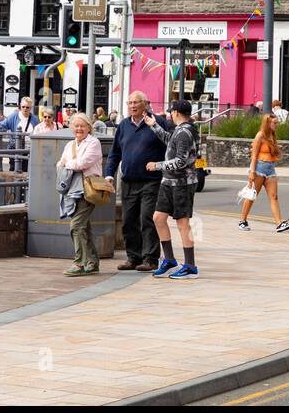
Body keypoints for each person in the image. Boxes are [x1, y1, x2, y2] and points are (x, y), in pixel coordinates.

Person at [106, 91, 172, 272]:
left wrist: (162, 167)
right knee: (129, 221)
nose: (133, 106)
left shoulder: (157, 122)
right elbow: (115, 153)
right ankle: (133, 257)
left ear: (145, 104)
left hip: (151, 180)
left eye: (136, 102)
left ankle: (150, 259)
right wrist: (109, 174)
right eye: (130, 103)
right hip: (128, 180)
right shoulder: (124, 126)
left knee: (147, 219)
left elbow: (170, 147)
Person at [147, 99, 201, 278]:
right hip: (169, 182)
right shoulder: (180, 131)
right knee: (158, 218)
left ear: (177, 113)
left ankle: (190, 266)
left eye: (171, 112)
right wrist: (154, 126)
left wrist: (158, 165)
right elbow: (170, 141)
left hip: (182, 184)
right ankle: (170, 260)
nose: (169, 115)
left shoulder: (185, 132)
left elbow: (181, 161)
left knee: (183, 223)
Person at [57, 112, 110, 277]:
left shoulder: (94, 143)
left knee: (76, 226)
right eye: (76, 126)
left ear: (89, 127)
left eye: (82, 125)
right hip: (73, 190)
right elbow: (59, 164)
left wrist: (68, 164)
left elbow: (83, 163)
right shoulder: (70, 145)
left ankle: (79, 262)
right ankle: (92, 262)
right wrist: (66, 165)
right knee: (84, 227)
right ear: (71, 128)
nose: (79, 129)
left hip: (88, 190)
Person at [239, 113, 289, 233]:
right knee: (252, 195)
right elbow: (253, 155)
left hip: (270, 169)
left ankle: (279, 223)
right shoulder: (260, 135)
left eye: (276, 122)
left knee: (274, 196)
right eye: (274, 122)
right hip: (259, 168)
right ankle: (242, 221)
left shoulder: (272, 135)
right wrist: (252, 172)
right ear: (267, 123)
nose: (276, 124)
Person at [0, 97, 39, 173]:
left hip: (28, 150)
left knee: (26, 171)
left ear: (31, 108)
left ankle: (22, 184)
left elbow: (40, 132)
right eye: (23, 107)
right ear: (20, 106)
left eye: (27, 107)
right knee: (14, 169)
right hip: (15, 149)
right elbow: (0, 125)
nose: (25, 109)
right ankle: (14, 184)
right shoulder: (13, 117)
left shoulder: (35, 119)